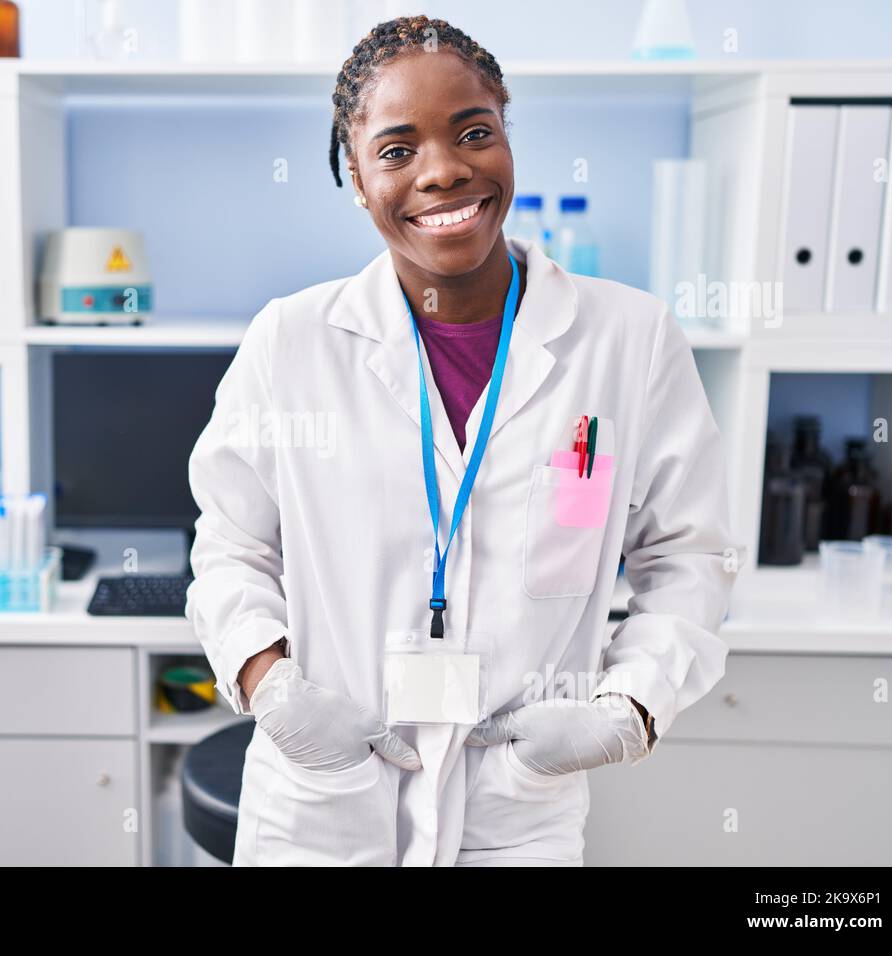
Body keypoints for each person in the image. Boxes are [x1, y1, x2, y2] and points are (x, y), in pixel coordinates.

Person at [186, 16, 735, 867]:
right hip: (322, 815)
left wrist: (626, 710)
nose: (443, 170)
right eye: (397, 150)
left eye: (474, 132)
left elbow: (690, 557)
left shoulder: (628, 339)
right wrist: (271, 683)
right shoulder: (290, 342)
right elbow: (230, 542)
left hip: (516, 813)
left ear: (507, 137)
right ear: (359, 182)